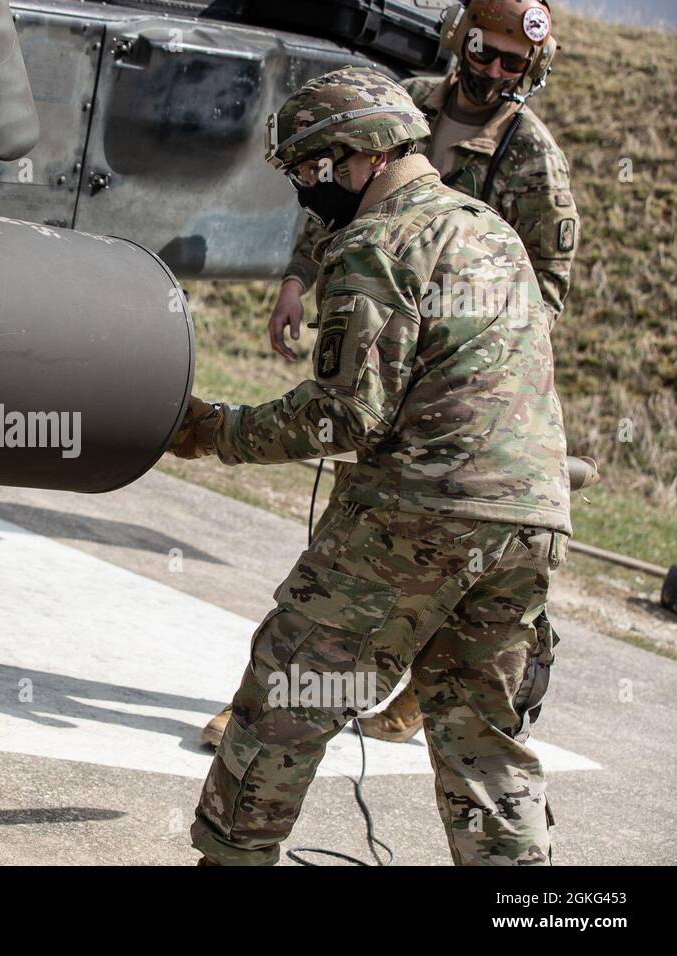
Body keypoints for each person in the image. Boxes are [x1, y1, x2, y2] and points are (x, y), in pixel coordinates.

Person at [173, 66, 571, 865]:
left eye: (310, 174)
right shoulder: (492, 232)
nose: (307, 196)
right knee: (481, 741)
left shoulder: (376, 243)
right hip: (531, 523)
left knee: (286, 704)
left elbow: (343, 412)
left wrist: (215, 429)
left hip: (414, 521)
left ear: (359, 156)